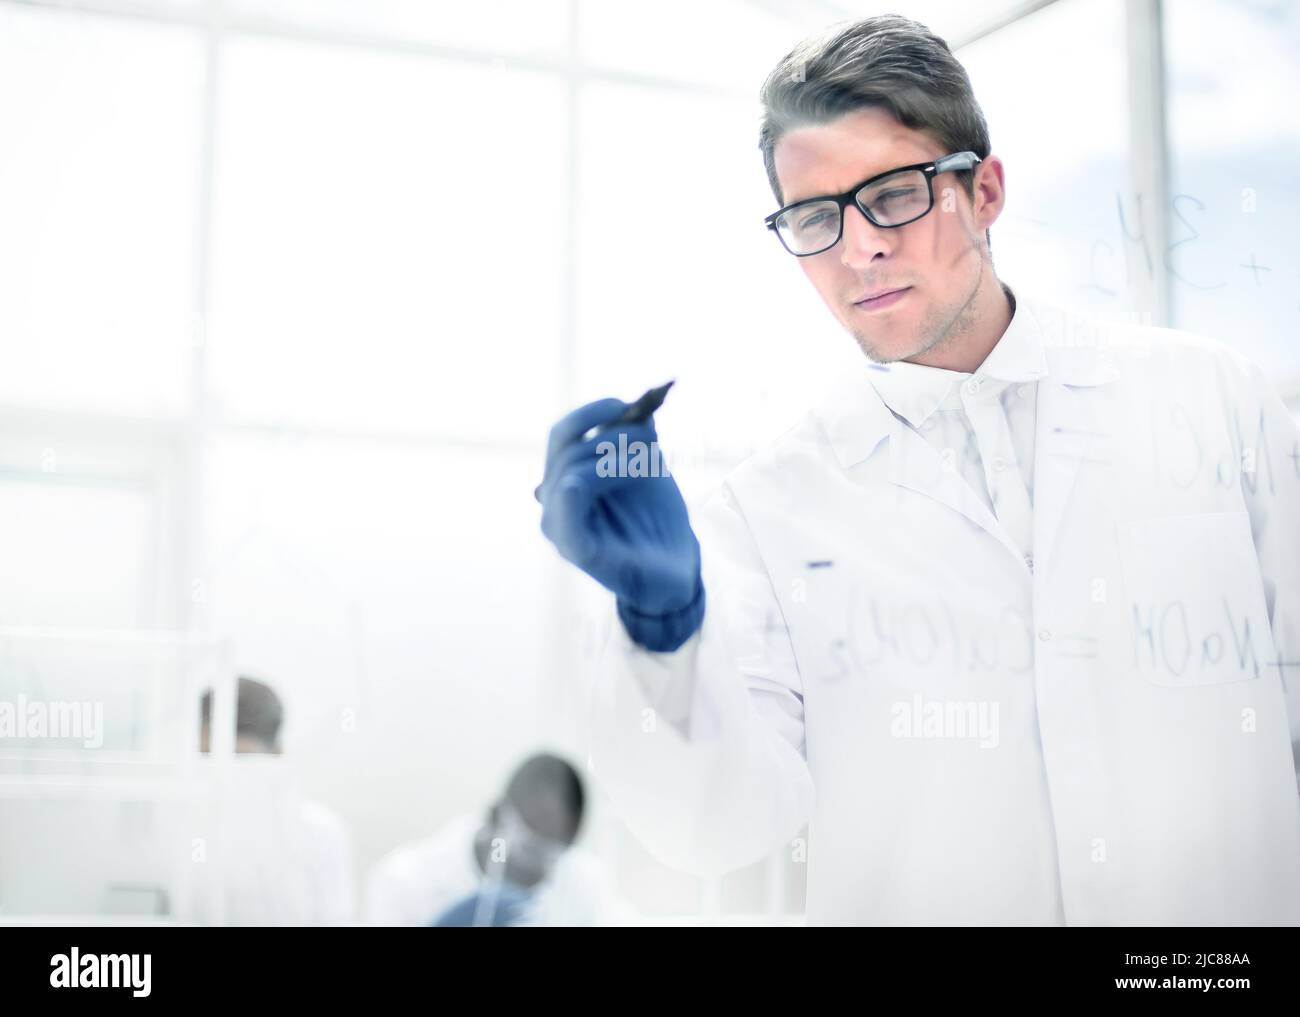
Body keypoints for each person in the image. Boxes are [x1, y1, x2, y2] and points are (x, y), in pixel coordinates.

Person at [536, 15, 1300, 925]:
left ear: (985, 191)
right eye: (816, 218)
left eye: (893, 194)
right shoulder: (768, 511)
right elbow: (721, 822)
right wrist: (662, 630)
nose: (859, 249)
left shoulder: (1215, 402)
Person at [365, 753, 627, 926]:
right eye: (529, 850)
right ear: (496, 815)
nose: (538, 872)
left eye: (552, 858)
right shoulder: (405, 882)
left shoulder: (585, 881)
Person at [198, 677, 356, 925]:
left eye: (243, 760)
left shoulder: (319, 831)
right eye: (207, 757)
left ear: (277, 754)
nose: (227, 779)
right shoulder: (173, 823)